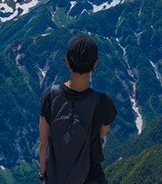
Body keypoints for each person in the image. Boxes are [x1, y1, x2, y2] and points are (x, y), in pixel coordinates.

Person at [38, 33, 118, 184]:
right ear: (95, 64)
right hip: (91, 177)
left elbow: (43, 144)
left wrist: (45, 176)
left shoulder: (51, 96)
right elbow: (102, 133)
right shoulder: (103, 102)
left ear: (67, 62)